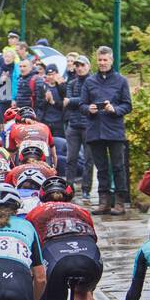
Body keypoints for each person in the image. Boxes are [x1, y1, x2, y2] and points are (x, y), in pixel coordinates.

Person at [27, 176, 102, 300]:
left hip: (57, 262)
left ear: (42, 196)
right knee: (84, 292)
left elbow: (29, 250)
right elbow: (93, 238)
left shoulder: (35, 213)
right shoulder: (82, 211)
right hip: (88, 259)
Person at [80, 46, 132, 214]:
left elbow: (128, 105)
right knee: (101, 168)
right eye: (100, 60)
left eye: (105, 60)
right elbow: (81, 104)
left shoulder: (121, 81)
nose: (102, 63)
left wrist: (114, 109)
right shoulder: (89, 81)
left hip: (115, 129)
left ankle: (119, 201)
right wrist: (89, 108)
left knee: (118, 166)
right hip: (95, 130)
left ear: (111, 60)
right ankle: (104, 200)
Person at [63, 54, 93, 195]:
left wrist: (74, 101)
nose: (80, 68)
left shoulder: (93, 82)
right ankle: (69, 186)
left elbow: (89, 100)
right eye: (77, 66)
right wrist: (81, 101)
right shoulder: (71, 83)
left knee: (88, 160)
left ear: (88, 66)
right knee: (71, 158)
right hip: (73, 124)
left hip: (89, 125)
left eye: (82, 65)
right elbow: (67, 102)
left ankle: (86, 188)